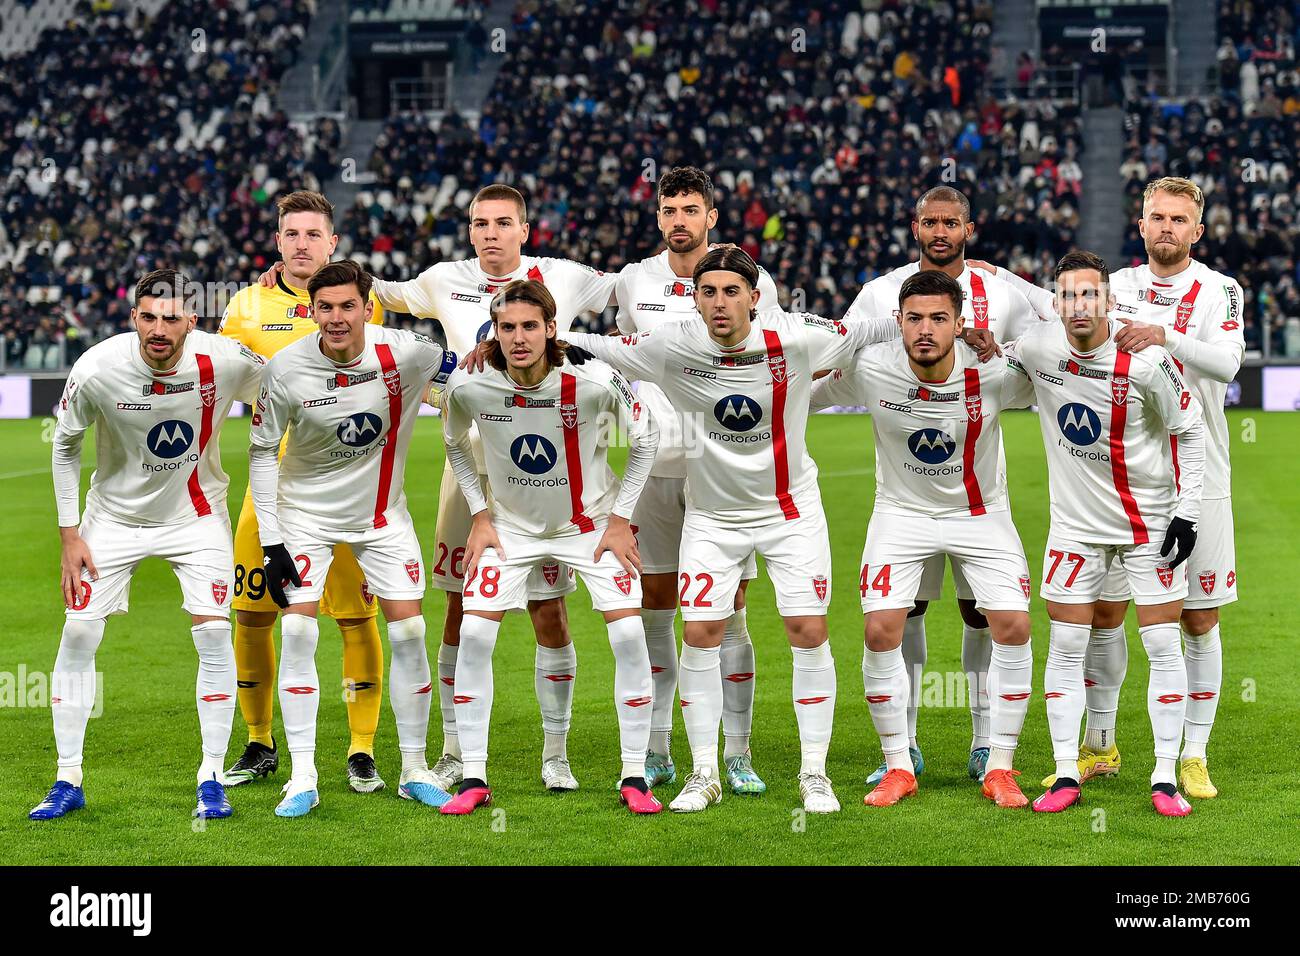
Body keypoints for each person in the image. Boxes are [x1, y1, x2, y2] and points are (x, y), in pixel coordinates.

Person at [556, 246, 991, 813]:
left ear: (755, 298)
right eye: (708, 292)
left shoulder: (797, 336)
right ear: (694, 297)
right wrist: (503, 344)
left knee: (808, 632)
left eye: (731, 292)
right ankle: (705, 773)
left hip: (790, 516)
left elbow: (871, 328)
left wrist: (970, 332)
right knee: (700, 636)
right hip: (711, 520)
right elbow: (589, 345)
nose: (719, 303)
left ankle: (814, 773)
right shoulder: (670, 345)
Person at [973, 178, 1244, 800]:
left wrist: (1164, 336)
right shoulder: (1115, 286)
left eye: (1180, 219)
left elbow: (1227, 365)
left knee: (1197, 620)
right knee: (1101, 616)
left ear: (1196, 231)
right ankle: (1098, 747)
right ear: (1141, 224)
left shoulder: (1218, 290)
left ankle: (1192, 756)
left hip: (1195, 478)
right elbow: (1065, 304)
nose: (1167, 228)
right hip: (1105, 482)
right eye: (1157, 217)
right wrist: (997, 277)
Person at [352, 184, 618, 794]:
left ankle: (556, 755)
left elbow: (633, 287)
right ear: (469, 231)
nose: (491, 233)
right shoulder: (443, 278)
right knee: (457, 605)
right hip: (467, 468)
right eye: (480, 224)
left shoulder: (564, 277)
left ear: (526, 229)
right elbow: (373, 291)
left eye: (503, 223)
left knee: (548, 609)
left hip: (545, 473)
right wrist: (303, 268)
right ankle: (451, 749)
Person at [31, 269, 266, 821]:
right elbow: (65, 446)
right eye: (148, 317)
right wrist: (70, 534)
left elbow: (282, 394)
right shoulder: (97, 367)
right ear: (133, 317)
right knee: (80, 632)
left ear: (192, 320)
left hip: (197, 517)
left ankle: (211, 777)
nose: (158, 329)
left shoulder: (225, 361)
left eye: (171, 318)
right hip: (111, 519)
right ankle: (68, 778)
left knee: (212, 634)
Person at [842, 186, 1044, 786]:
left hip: (979, 489)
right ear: (915, 226)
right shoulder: (882, 291)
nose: (939, 231)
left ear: (968, 228)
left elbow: (1048, 343)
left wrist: (1000, 344)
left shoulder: (1001, 292)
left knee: (980, 614)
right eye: (929, 221)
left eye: (950, 223)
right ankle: (901, 746)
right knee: (906, 614)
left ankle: (986, 742)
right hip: (903, 489)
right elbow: (842, 349)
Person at [439, 279, 661, 815]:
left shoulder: (593, 379)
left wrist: (620, 520)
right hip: (511, 528)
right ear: (494, 332)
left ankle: (633, 775)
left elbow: (646, 438)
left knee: (630, 633)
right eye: (507, 327)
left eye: (529, 326)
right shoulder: (470, 384)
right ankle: (473, 776)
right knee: (473, 632)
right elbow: (452, 440)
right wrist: (480, 513)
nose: (518, 338)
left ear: (551, 328)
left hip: (590, 525)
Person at [249, 261, 458, 817]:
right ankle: (302, 776)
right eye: (325, 308)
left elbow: (473, 367)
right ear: (311, 311)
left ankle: (413, 769)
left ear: (369, 307)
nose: (337, 318)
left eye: (348, 306)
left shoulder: (408, 353)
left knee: (411, 630)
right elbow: (262, 453)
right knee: (297, 632)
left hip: (382, 517)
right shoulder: (285, 369)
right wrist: (271, 543)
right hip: (304, 518)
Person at [1005, 250, 1205, 817]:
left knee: (1163, 646)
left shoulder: (1144, 360)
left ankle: (1165, 776)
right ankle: (1068, 771)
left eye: (1089, 294)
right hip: (1075, 528)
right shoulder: (1041, 346)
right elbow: (998, 359)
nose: (1078, 305)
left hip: (1148, 526)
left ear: (1109, 301)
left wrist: (1186, 512)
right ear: (1057, 302)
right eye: (1068, 295)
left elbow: (1190, 432)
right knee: (1066, 648)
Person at [612, 165, 782, 795]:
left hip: (725, 469)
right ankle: (657, 746)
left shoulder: (749, 278)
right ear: (659, 218)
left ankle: (734, 752)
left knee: (729, 610)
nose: (678, 220)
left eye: (690, 209)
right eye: (668, 210)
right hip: (653, 465)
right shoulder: (632, 280)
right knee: (655, 604)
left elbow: (778, 352)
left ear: (712, 216)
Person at [222, 190, 391, 794]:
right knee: (251, 616)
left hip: (346, 491)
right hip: (268, 494)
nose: (301, 244)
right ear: (277, 242)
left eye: (312, 234)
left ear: (332, 242)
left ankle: (361, 748)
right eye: (290, 234)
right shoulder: (244, 307)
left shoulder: (357, 307)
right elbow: (215, 384)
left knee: (353, 615)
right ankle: (260, 741)